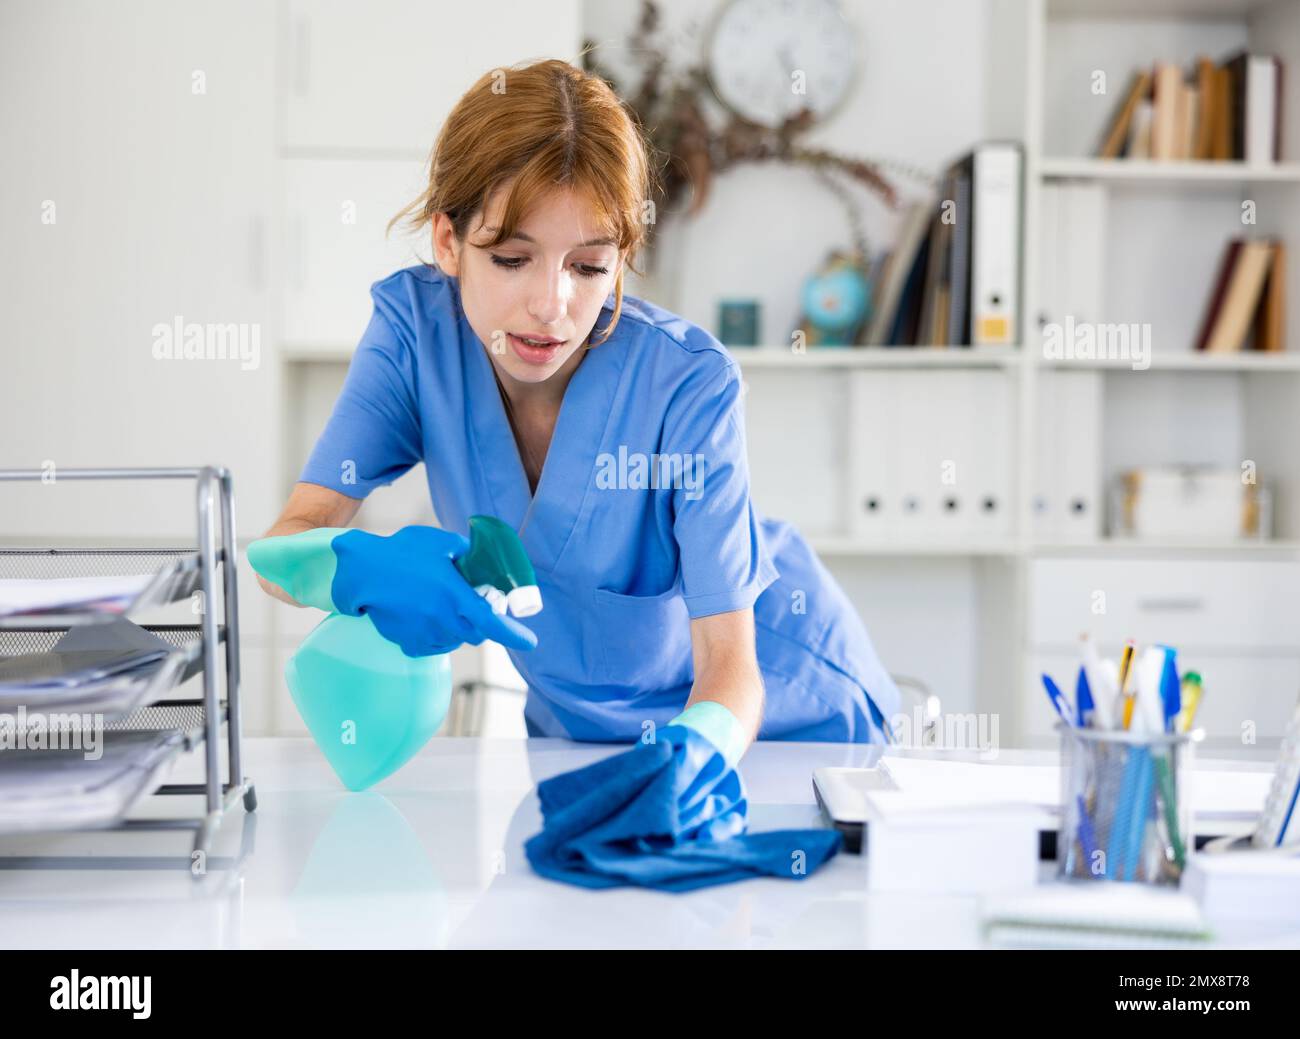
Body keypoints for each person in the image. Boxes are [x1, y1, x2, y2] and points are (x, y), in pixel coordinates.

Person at [254, 58, 898, 762]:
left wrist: (687, 764)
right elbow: (282, 548)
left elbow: (730, 669)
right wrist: (355, 569)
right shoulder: (416, 336)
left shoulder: (687, 385)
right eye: (510, 257)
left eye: (589, 266)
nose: (550, 304)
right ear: (448, 241)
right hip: (579, 735)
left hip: (782, 720)